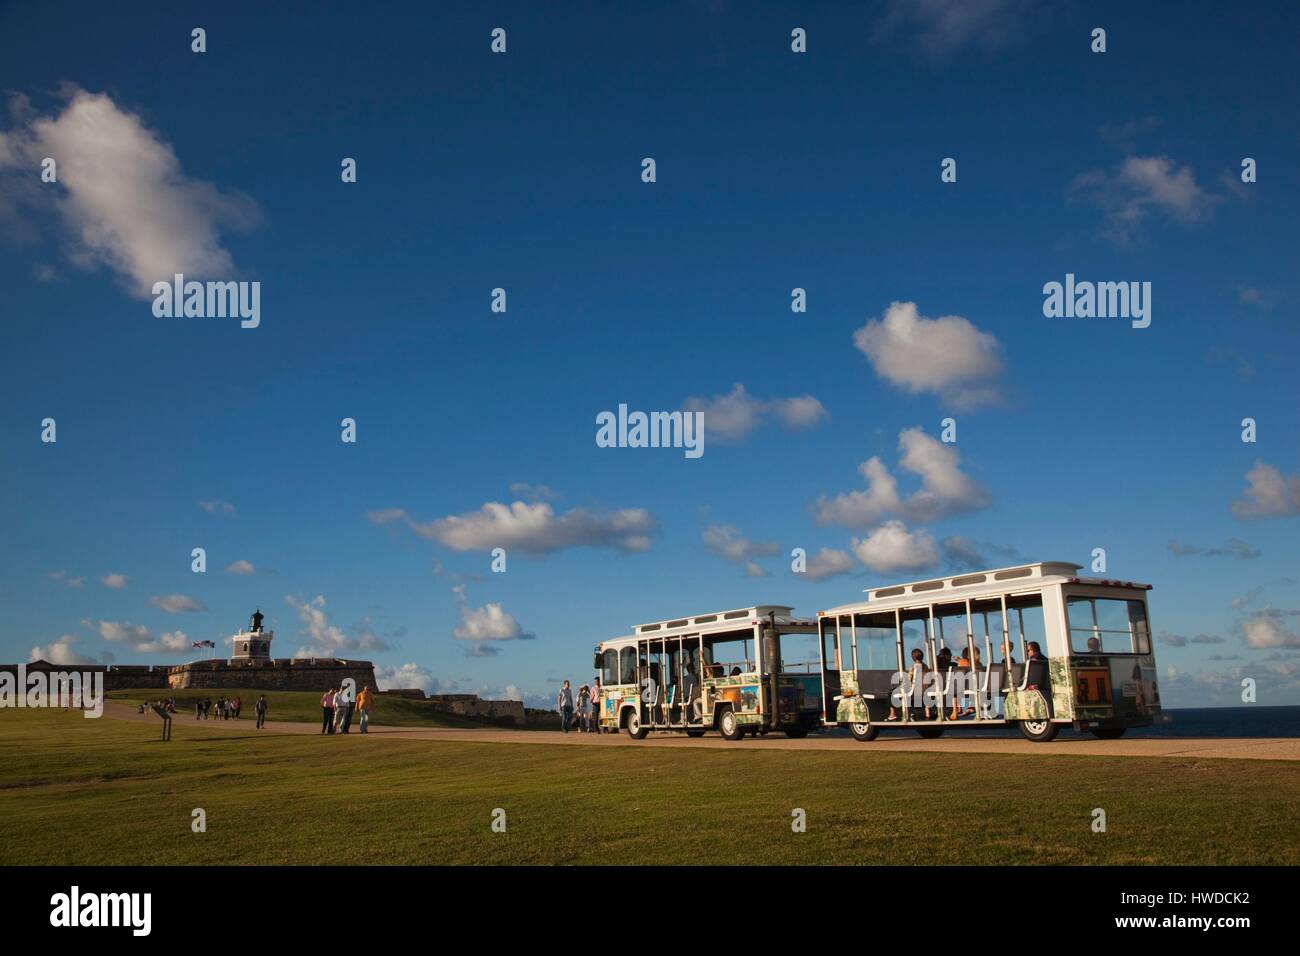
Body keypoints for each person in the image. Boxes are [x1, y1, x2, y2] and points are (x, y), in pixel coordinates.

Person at [888, 648, 930, 721]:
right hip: (924, 690)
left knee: (891, 693)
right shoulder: (926, 667)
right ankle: (920, 713)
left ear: (913, 658)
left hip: (914, 691)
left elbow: (908, 680)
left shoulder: (913, 668)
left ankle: (892, 714)